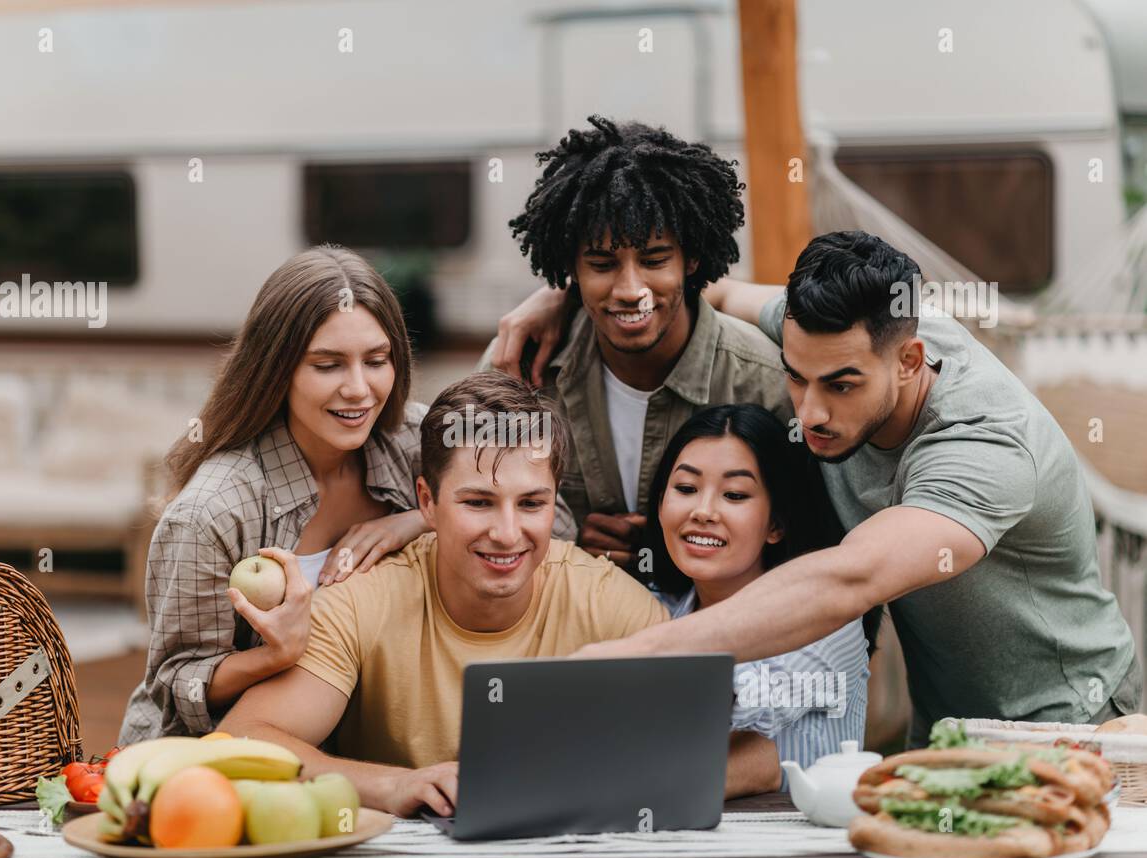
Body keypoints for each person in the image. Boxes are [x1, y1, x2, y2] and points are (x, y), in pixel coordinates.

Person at [571, 231, 1141, 744]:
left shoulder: (986, 444)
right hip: (948, 729)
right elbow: (714, 293)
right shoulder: (838, 332)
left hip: (1071, 723)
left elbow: (851, 577)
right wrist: (557, 304)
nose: (812, 412)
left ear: (910, 362)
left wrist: (634, 656)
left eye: (841, 386)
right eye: (795, 377)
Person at [217, 371, 681, 816]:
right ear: (426, 502)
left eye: (532, 504)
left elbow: (712, 747)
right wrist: (392, 785)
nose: (506, 533)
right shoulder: (361, 601)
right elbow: (242, 740)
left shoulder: (607, 600)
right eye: (478, 502)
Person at [119, 246, 435, 743]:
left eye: (376, 360)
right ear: (276, 369)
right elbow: (176, 685)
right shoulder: (212, 512)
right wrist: (274, 655)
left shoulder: (413, 441)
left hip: (360, 748)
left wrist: (419, 519)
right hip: (211, 766)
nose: (359, 389)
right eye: (328, 365)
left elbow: (544, 519)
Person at [481, 115, 792, 574]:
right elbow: (469, 506)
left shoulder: (765, 383)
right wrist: (563, 541)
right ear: (571, 271)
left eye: (654, 259)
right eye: (602, 263)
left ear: (693, 259)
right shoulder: (515, 370)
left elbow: (811, 546)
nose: (630, 288)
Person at [645, 404, 869, 787]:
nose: (703, 511)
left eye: (734, 495)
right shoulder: (652, 605)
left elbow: (738, 704)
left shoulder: (828, 619)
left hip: (807, 842)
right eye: (685, 488)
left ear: (776, 525)